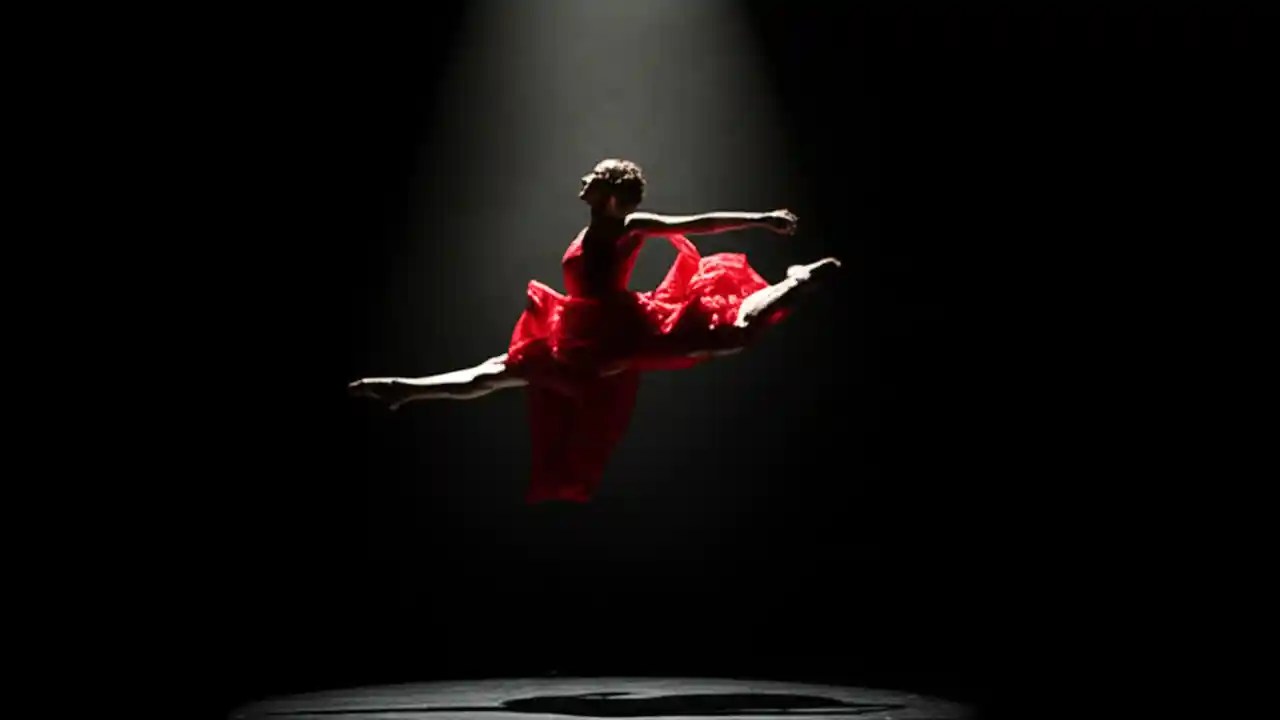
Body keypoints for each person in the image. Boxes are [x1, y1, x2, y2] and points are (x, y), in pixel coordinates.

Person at [349, 159, 840, 502]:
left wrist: (761, 220)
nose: (582, 179)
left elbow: (701, 223)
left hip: (618, 327)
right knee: (503, 369)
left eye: (594, 176)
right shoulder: (589, 227)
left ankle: (795, 281)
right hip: (581, 326)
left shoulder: (628, 224)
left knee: (728, 331)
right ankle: (404, 391)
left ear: (608, 193)